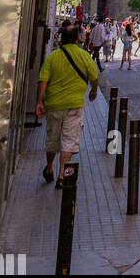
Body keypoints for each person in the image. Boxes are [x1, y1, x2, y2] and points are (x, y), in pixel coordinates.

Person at [35, 22, 98, 188]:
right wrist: (94, 91)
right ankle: (62, 174)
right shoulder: (84, 55)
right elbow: (94, 76)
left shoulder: (53, 56)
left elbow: (43, 81)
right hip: (75, 105)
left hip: (54, 104)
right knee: (69, 140)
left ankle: (49, 168)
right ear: (77, 39)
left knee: (52, 139)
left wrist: (40, 101)